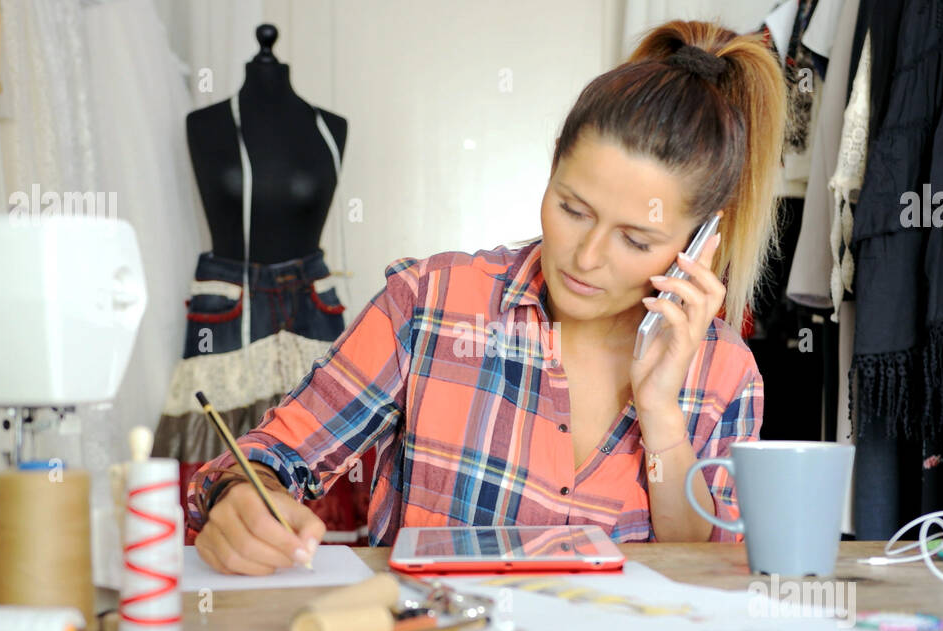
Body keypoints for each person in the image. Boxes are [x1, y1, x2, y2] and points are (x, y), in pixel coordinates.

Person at [186, 19, 787, 574]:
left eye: (636, 238)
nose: (586, 257)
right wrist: (242, 495)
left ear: (704, 240)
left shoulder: (726, 373)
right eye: (573, 208)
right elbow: (267, 454)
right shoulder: (430, 303)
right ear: (552, 167)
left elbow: (711, 578)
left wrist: (662, 416)